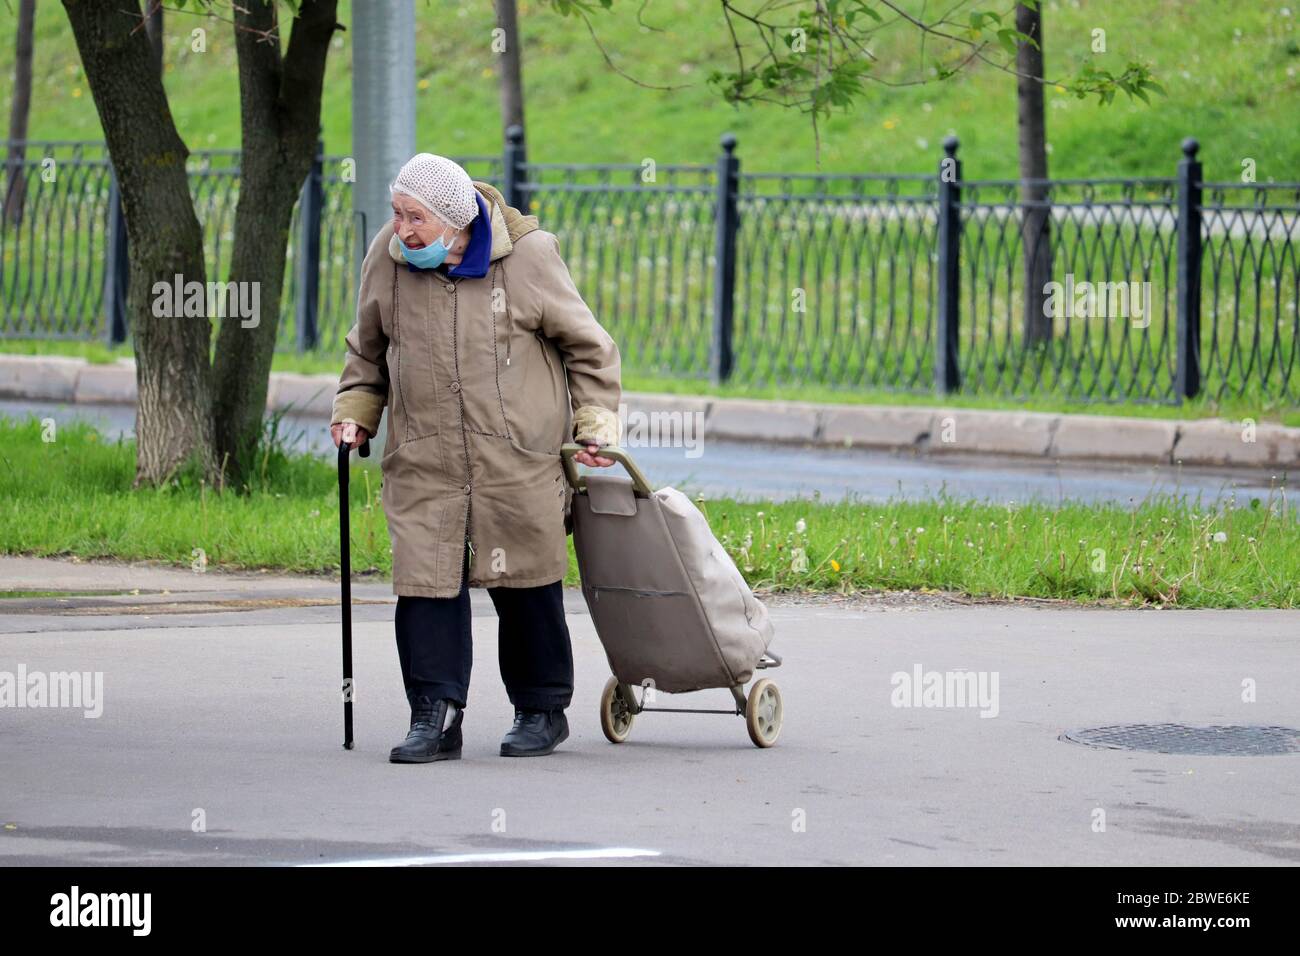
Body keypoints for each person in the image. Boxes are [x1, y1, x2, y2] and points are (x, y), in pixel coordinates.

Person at [329, 152, 622, 763]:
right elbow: (367, 350)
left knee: (525, 583)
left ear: (456, 220)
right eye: (397, 213)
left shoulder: (527, 258)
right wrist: (356, 414)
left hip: (516, 455)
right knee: (425, 584)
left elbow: (589, 349)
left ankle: (541, 708)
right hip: (425, 455)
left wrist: (594, 423)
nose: (403, 230)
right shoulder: (389, 258)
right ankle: (435, 717)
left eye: (416, 218)